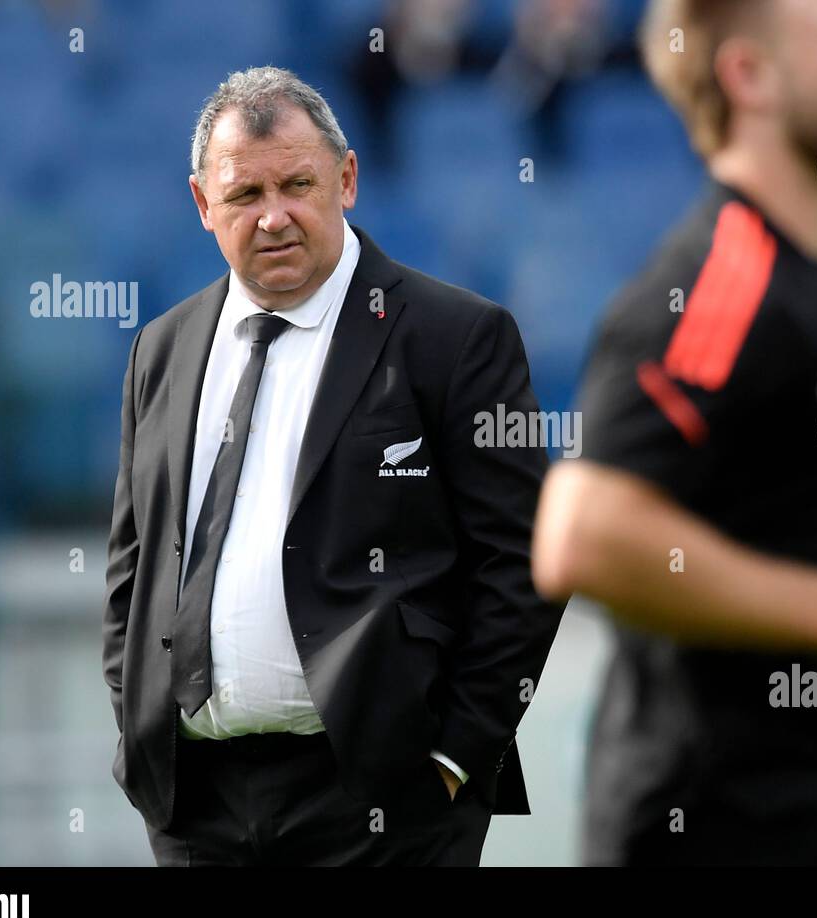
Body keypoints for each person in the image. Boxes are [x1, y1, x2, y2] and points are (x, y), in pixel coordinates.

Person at [532, 0, 817, 865]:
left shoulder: (813, 275)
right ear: (749, 76)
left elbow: (754, 512)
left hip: (802, 810)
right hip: (711, 827)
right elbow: (582, 534)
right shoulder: (727, 280)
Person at [102, 66, 562, 866]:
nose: (274, 216)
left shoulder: (456, 337)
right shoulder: (161, 350)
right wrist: (139, 718)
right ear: (203, 205)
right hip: (196, 808)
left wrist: (456, 758)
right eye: (244, 195)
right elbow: (132, 567)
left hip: (386, 805)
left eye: (297, 184)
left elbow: (523, 567)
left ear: (346, 181)